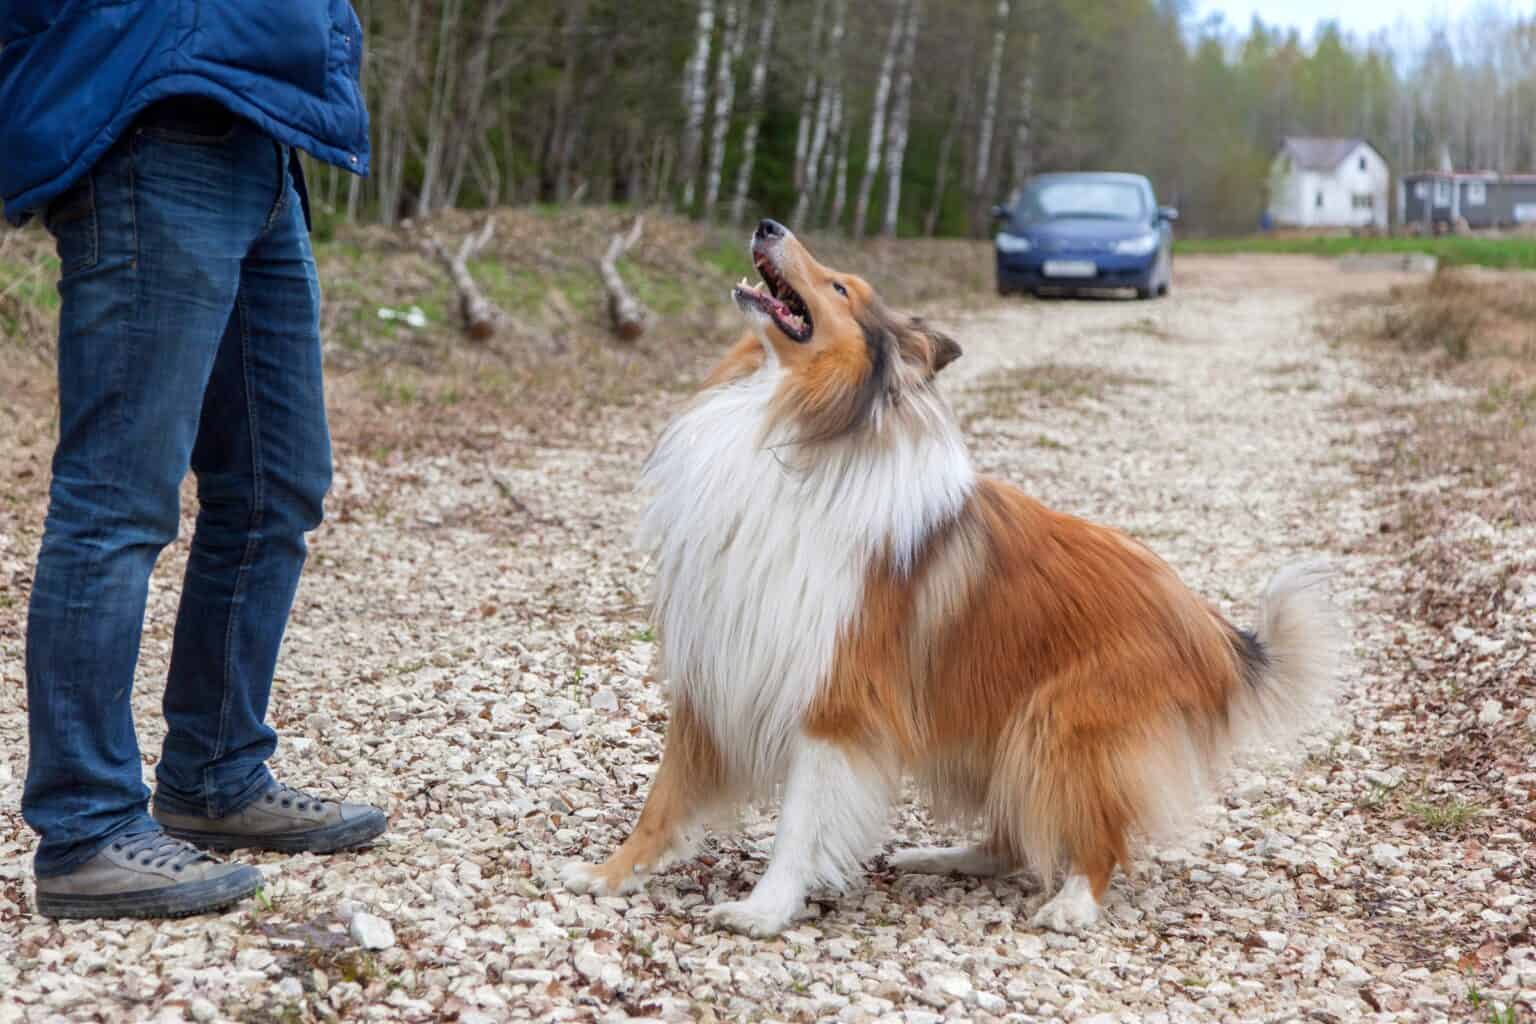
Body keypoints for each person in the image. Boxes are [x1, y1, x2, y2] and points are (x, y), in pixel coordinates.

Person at [1, 2, 387, 919]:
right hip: (155, 117)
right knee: (118, 501)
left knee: (276, 488)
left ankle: (215, 773)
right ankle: (87, 828)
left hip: (265, 136)